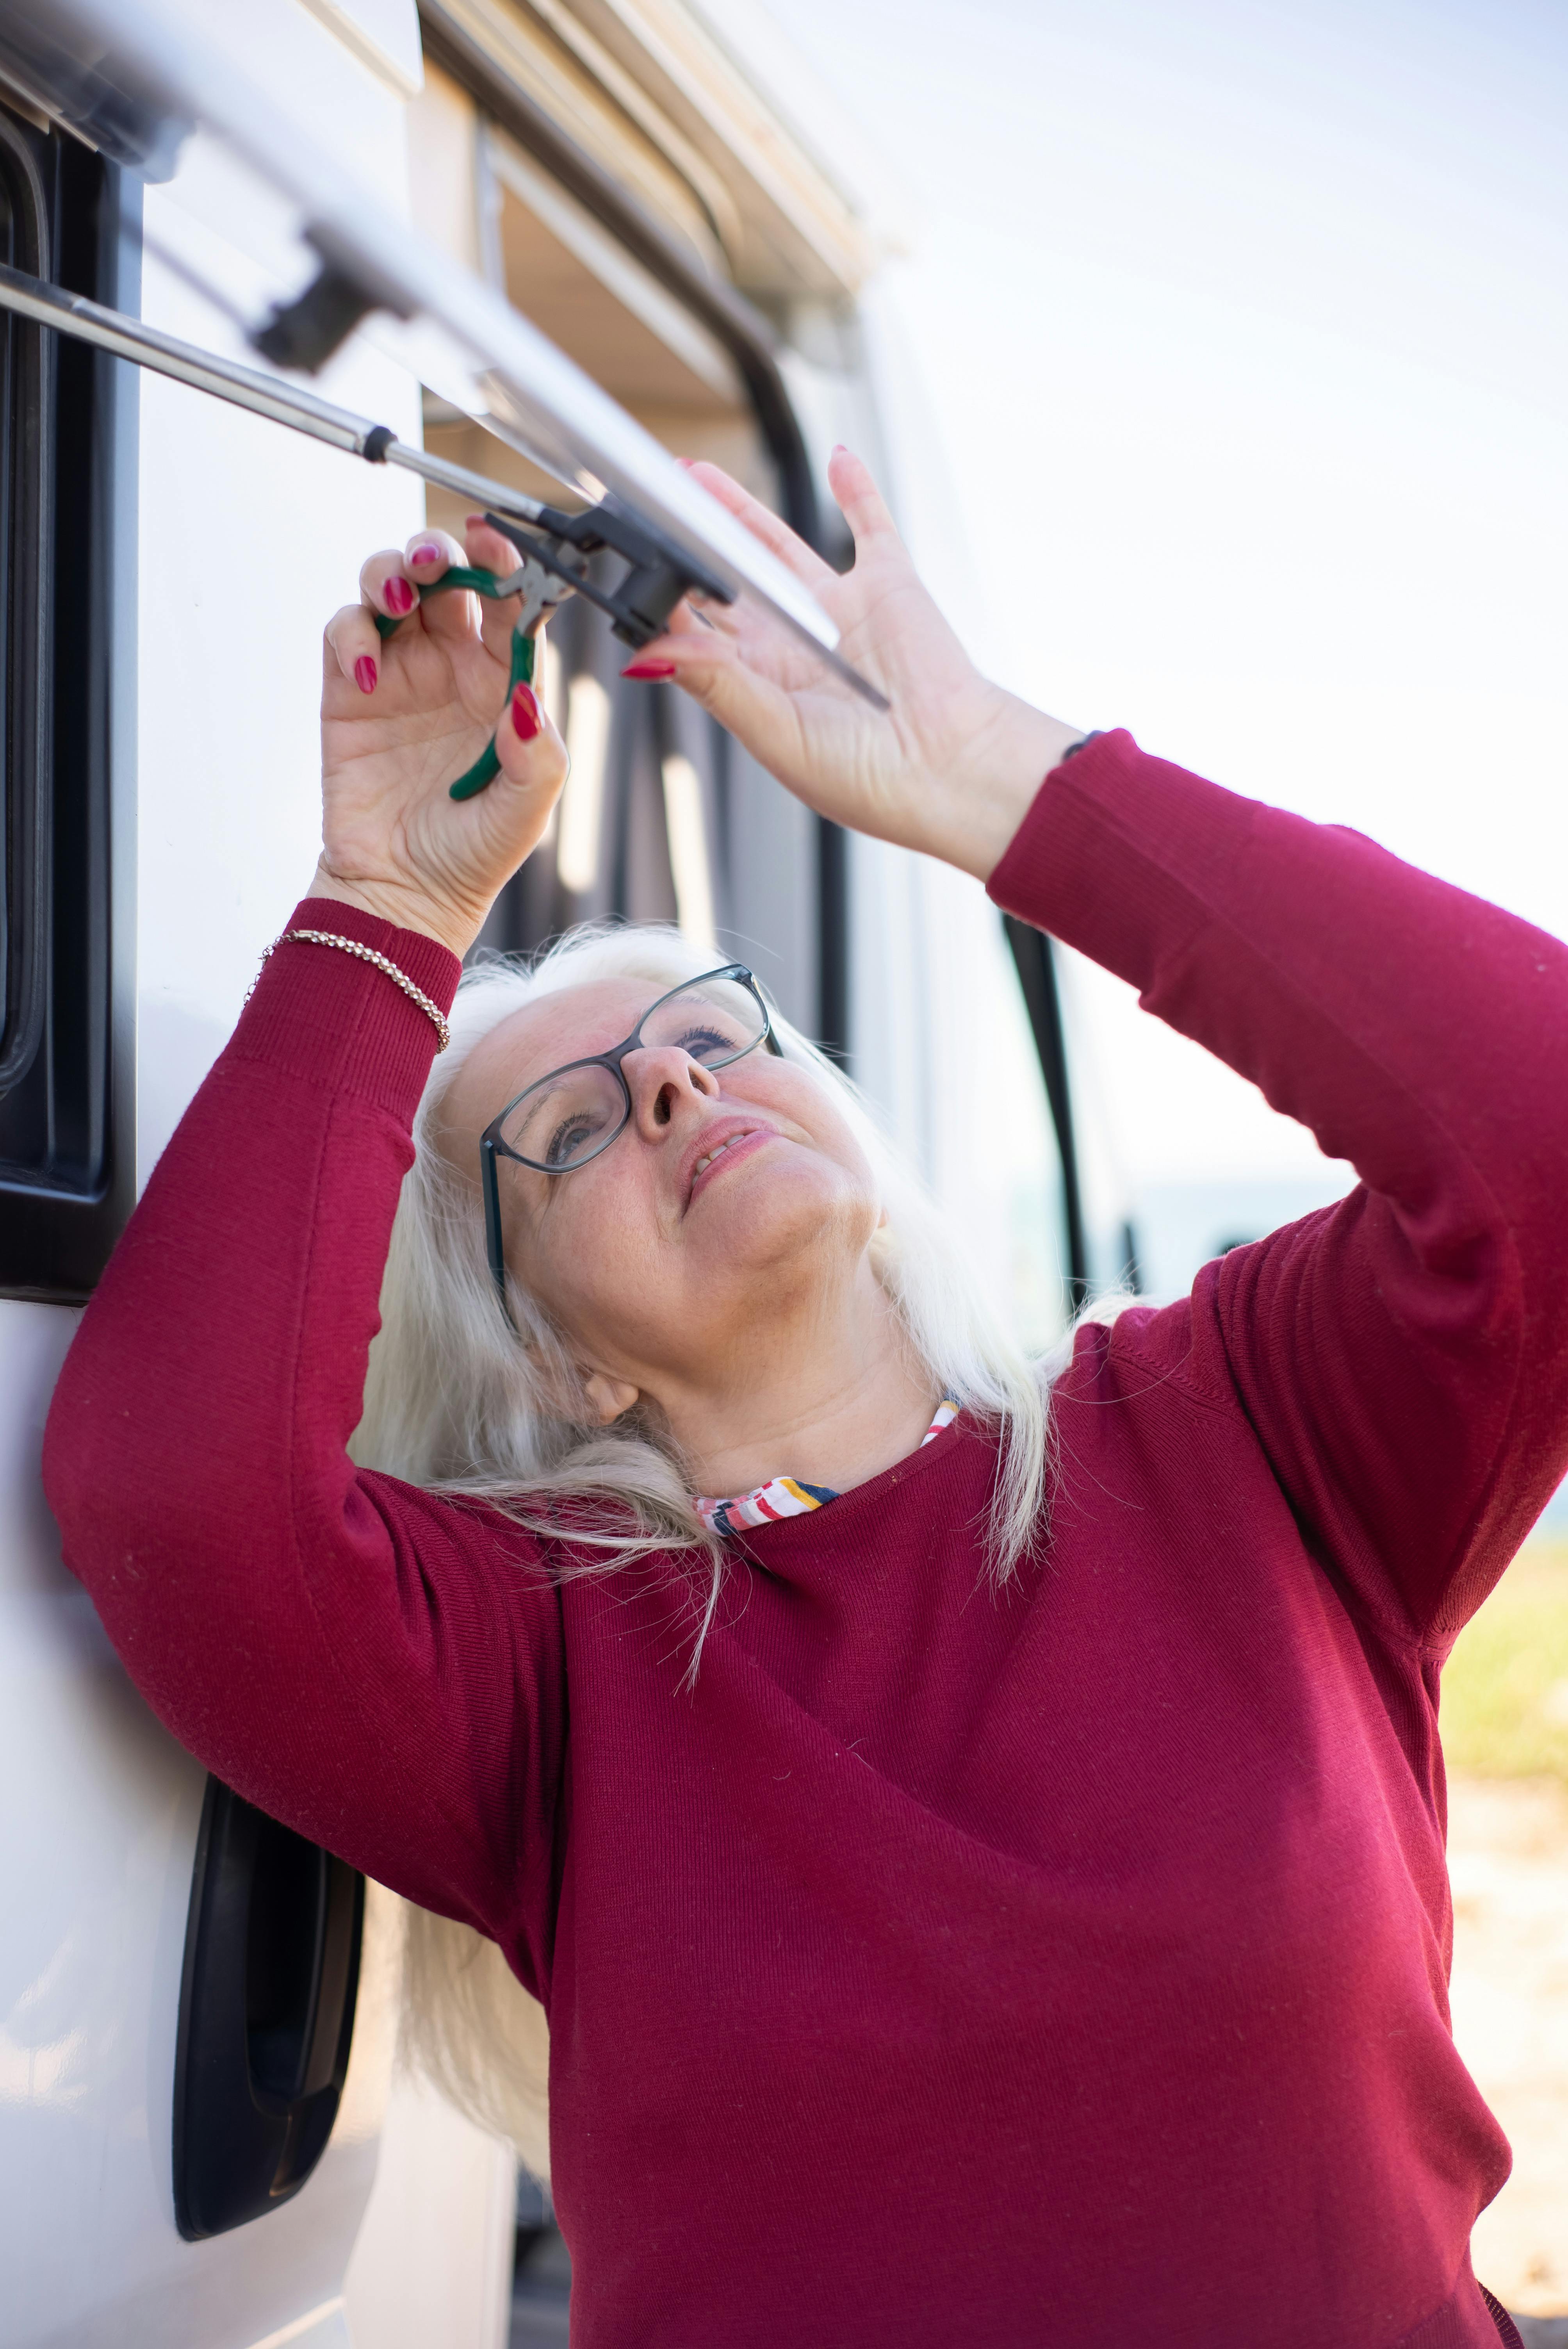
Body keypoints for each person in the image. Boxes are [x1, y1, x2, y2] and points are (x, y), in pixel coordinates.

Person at [43, 449, 1566, 2349]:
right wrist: (382, 902)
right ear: (547, 1348)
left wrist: (996, 781)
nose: (674, 1090)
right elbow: (171, 1501)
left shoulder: (1241, 1425)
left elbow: (1540, 1134)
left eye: (708, 1038)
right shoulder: (548, 1673)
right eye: (575, 1124)